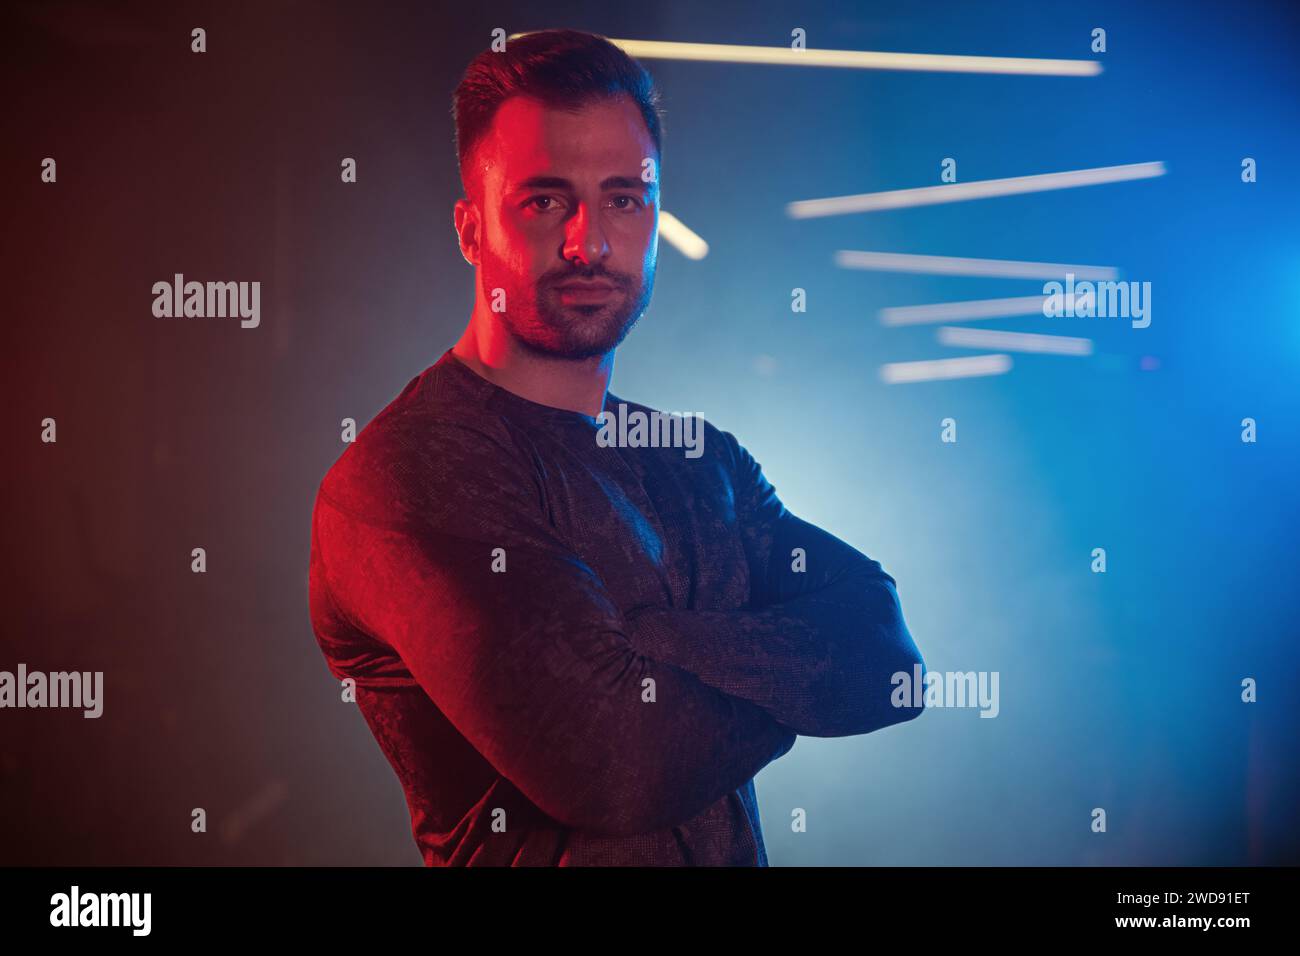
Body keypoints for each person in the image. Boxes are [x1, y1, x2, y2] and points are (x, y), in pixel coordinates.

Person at [308, 27, 926, 866]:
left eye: (624, 199)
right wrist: (791, 681)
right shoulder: (404, 475)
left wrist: (662, 640)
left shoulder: (698, 459)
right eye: (544, 200)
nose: (589, 243)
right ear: (468, 229)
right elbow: (617, 764)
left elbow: (888, 656)